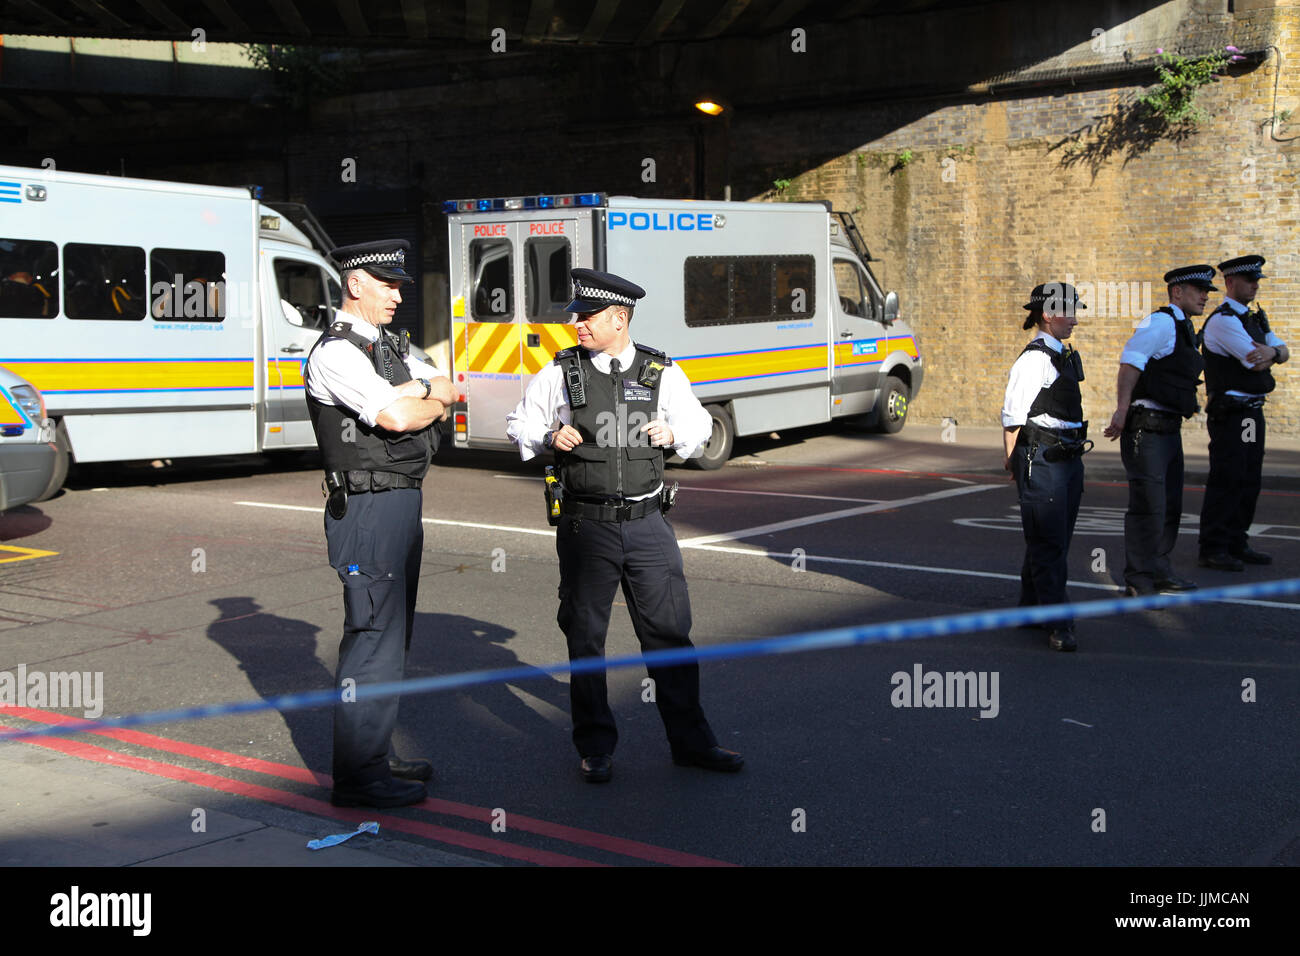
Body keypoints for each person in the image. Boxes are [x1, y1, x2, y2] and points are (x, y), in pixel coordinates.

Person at [505, 268, 742, 783]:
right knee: (586, 638)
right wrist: (549, 435)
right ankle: (594, 746)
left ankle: (692, 743)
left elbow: (701, 425)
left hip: (647, 522)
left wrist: (674, 432)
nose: (577, 326)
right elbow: (517, 424)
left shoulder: (660, 371)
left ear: (619, 317)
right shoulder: (560, 372)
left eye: (587, 317)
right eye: (577, 317)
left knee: (670, 636)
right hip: (586, 526)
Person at [304, 239, 456, 808]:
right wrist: (420, 397)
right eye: (388, 284)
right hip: (366, 507)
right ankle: (359, 778)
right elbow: (394, 418)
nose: (398, 295)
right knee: (371, 637)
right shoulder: (337, 353)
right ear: (355, 284)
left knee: (391, 639)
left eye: (400, 286)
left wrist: (422, 392)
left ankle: (374, 752)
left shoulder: (392, 346)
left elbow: (445, 387)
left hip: (399, 501)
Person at [1103, 265, 1213, 596]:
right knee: (1148, 506)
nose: (1206, 296)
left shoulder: (1184, 328)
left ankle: (1160, 569)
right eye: (1198, 290)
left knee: (1169, 504)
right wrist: (1122, 409)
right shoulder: (1160, 322)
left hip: (1168, 429)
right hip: (1145, 430)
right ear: (1177, 292)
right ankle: (1138, 580)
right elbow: (1131, 362)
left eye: (1206, 290)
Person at [1002, 283, 1090, 652]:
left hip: (1066, 459)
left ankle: (1030, 607)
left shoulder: (1058, 354)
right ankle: (1059, 622)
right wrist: (1014, 465)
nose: (1073, 318)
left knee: (1051, 540)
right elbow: (1012, 419)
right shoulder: (1033, 360)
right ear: (1048, 314)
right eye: (1068, 311)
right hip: (1042, 460)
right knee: (1049, 543)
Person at [1198, 255, 1289, 570]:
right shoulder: (1224, 321)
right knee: (1228, 478)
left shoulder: (1254, 319)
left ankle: (1237, 541)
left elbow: (1283, 352)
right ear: (1230, 282)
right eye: (1249, 280)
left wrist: (1273, 352)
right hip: (1231, 413)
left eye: (1256, 280)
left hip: (1252, 411)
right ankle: (1213, 547)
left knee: (1250, 479)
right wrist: (1271, 354)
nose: (1254, 285)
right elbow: (1254, 361)